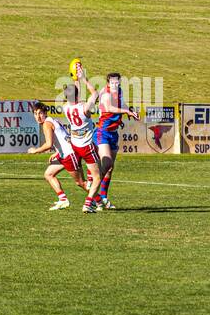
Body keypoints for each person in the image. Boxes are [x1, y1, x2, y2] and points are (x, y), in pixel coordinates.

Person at [84, 72, 138, 212]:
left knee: (109, 168)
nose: (116, 84)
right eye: (113, 82)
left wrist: (129, 110)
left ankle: (103, 198)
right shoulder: (105, 93)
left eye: (118, 82)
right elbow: (109, 108)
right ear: (108, 83)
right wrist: (126, 112)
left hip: (113, 133)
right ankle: (92, 185)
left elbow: (122, 103)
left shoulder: (119, 91)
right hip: (103, 132)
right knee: (107, 163)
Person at [28, 102, 89, 209]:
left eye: (40, 113)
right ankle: (63, 200)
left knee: (81, 183)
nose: (37, 116)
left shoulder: (47, 124)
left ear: (45, 113)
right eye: (35, 113)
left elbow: (49, 144)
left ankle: (100, 199)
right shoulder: (52, 120)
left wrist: (36, 151)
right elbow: (65, 137)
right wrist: (57, 153)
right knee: (48, 174)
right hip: (64, 154)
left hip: (69, 155)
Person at [61, 82, 102, 202]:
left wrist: (76, 78)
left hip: (75, 144)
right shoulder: (85, 107)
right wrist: (84, 79)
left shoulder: (65, 107)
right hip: (85, 145)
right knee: (98, 176)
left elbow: (75, 95)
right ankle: (89, 202)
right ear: (78, 94)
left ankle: (89, 180)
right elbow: (95, 93)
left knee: (98, 151)